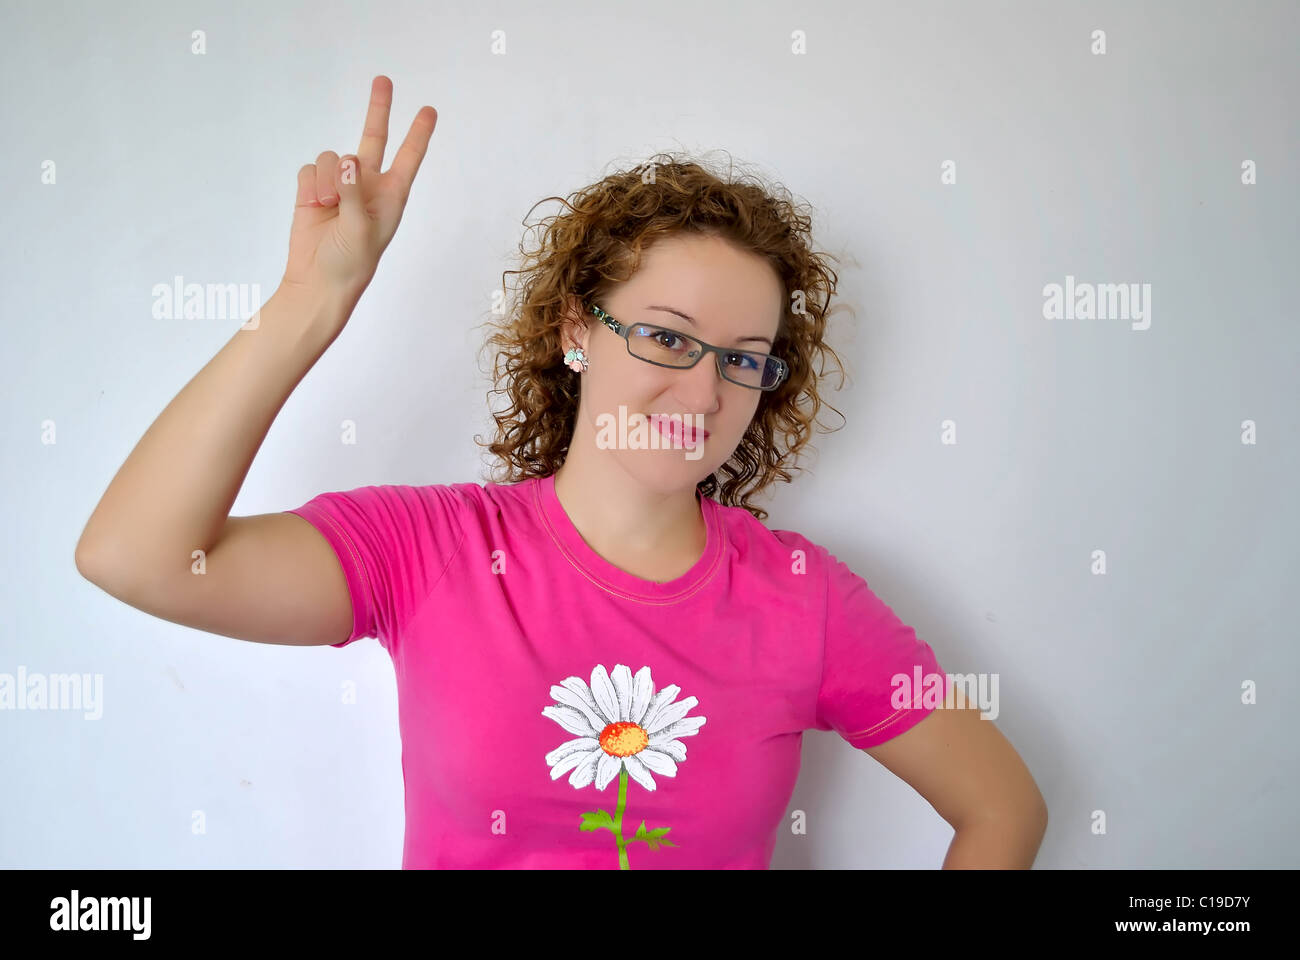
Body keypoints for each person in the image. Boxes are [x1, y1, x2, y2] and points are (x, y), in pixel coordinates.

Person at [75, 75, 1048, 870]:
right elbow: (137, 558)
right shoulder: (429, 552)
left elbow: (1002, 810)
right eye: (668, 338)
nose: (705, 394)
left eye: (744, 357)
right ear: (577, 330)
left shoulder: (806, 600)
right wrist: (309, 299)